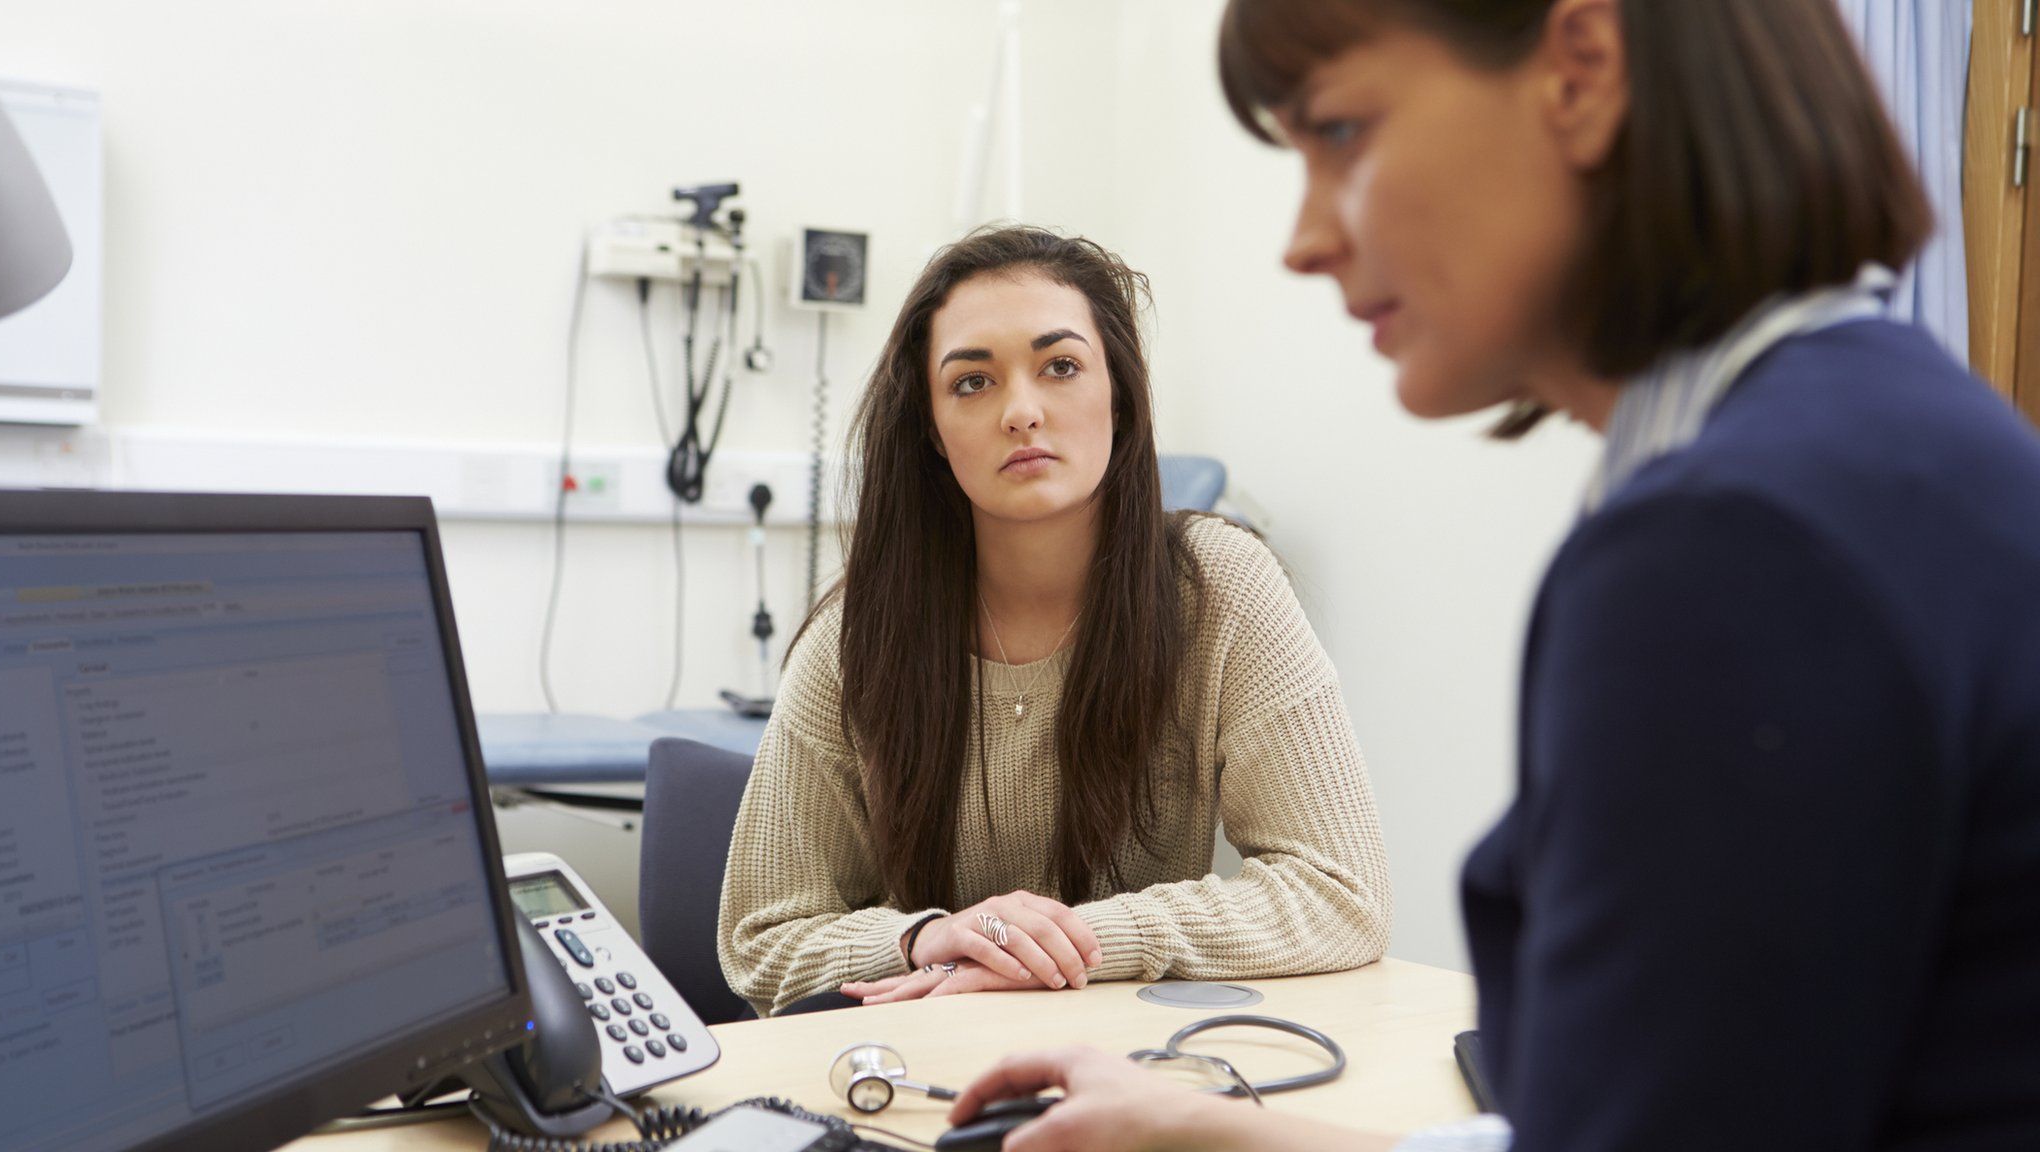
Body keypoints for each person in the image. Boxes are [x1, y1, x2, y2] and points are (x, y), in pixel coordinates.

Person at [947, 1, 2040, 1150]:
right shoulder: (1892, 439)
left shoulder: (1735, 547)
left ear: (1579, 71)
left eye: (1339, 135)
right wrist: (1206, 1132)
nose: (1303, 239)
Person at [715, 225, 1392, 1018]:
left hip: (1139, 1074)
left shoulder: (1219, 587)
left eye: (1061, 366)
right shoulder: (858, 635)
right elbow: (763, 939)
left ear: (1121, 396)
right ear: (931, 431)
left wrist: (1072, 944)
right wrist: (926, 939)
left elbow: (1341, 892)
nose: (1022, 411)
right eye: (973, 382)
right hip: (929, 1068)